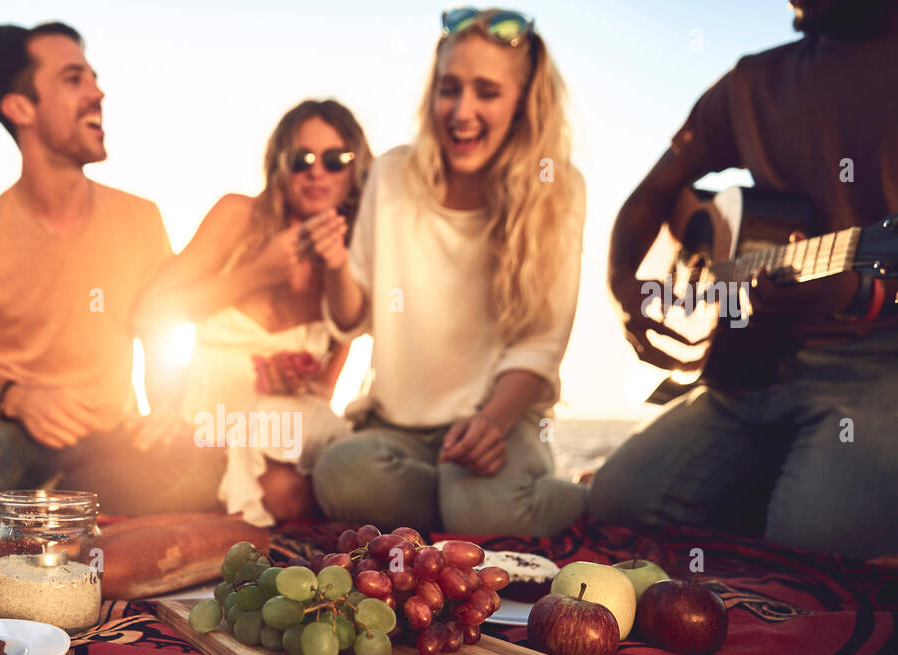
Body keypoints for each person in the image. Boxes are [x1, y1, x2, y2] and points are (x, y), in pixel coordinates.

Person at [0, 21, 222, 534]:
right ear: (20, 108)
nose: (98, 92)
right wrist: (17, 399)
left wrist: (166, 406)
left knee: (203, 471)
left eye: (93, 78)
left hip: (110, 437)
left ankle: (39, 505)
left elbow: (160, 336)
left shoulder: (142, 218)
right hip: (6, 438)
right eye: (74, 79)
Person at [590, 0, 898, 560]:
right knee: (618, 502)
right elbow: (654, 192)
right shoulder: (752, 82)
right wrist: (622, 289)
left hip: (878, 362)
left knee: (812, 542)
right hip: (750, 366)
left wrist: (860, 294)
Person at [312, 7, 586, 536]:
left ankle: (579, 497)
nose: (461, 111)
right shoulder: (392, 173)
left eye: (487, 92)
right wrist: (335, 266)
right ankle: (468, 504)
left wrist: (490, 423)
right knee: (341, 475)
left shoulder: (560, 187)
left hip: (500, 419)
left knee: (481, 505)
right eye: (449, 88)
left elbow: (541, 345)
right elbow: (355, 317)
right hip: (396, 427)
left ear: (525, 102)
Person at [133, 100, 369, 526]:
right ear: (279, 165)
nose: (317, 171)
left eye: (335, 160)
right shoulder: (238, 216)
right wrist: (259, 272)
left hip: (278, 445)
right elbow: (150, 311)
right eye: (302, 159)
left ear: (356, 172)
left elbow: (322, 393)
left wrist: (296, 381)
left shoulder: (352, 259)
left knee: (289, 491)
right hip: (200, 432)